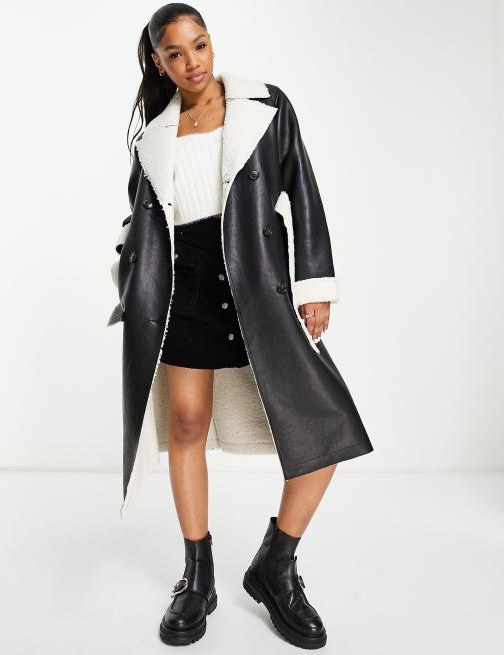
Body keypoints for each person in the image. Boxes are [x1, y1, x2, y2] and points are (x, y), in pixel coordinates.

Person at [114, 2, 374, 648]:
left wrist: (314, 284)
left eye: (199, 45)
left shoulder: (265, 106)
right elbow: (138, 219)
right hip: (182, 288)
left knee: (326, 425)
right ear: (159, 62)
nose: (192, 62)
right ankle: (196, 575)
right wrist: (129, 280)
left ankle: (275, 564)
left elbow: (303, 191)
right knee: (185, 425)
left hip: (257, 283)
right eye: (175, 53)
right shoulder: (153, 135)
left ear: (211, 43)